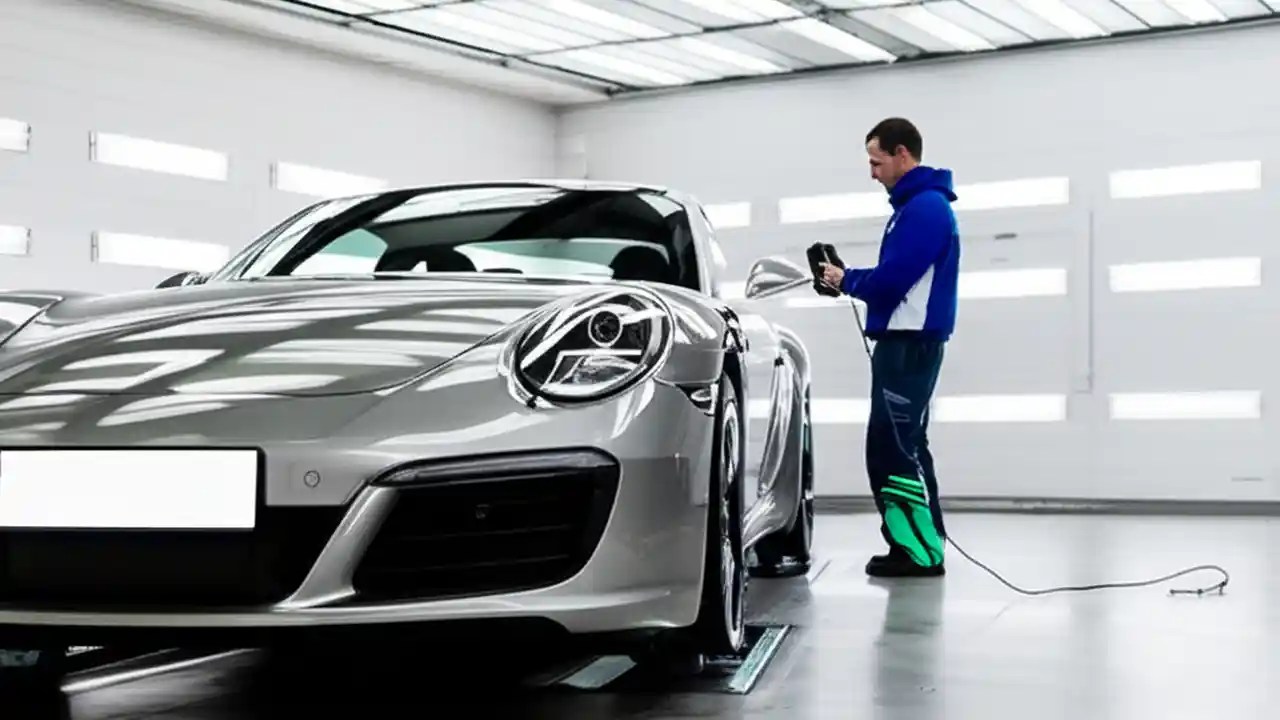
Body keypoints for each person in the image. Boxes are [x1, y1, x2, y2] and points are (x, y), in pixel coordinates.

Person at [819, 117, 960, 578]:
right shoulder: (917, 207)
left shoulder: (925, 209)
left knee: (892, 446)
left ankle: (918, 551)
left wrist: (845, 279)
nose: (872, 173)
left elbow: (894, 280)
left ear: (903, 155)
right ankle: (922, 546)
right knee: (905, 442)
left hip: (908, 344)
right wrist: (851, 281)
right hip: (907, 343)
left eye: (876, 162)